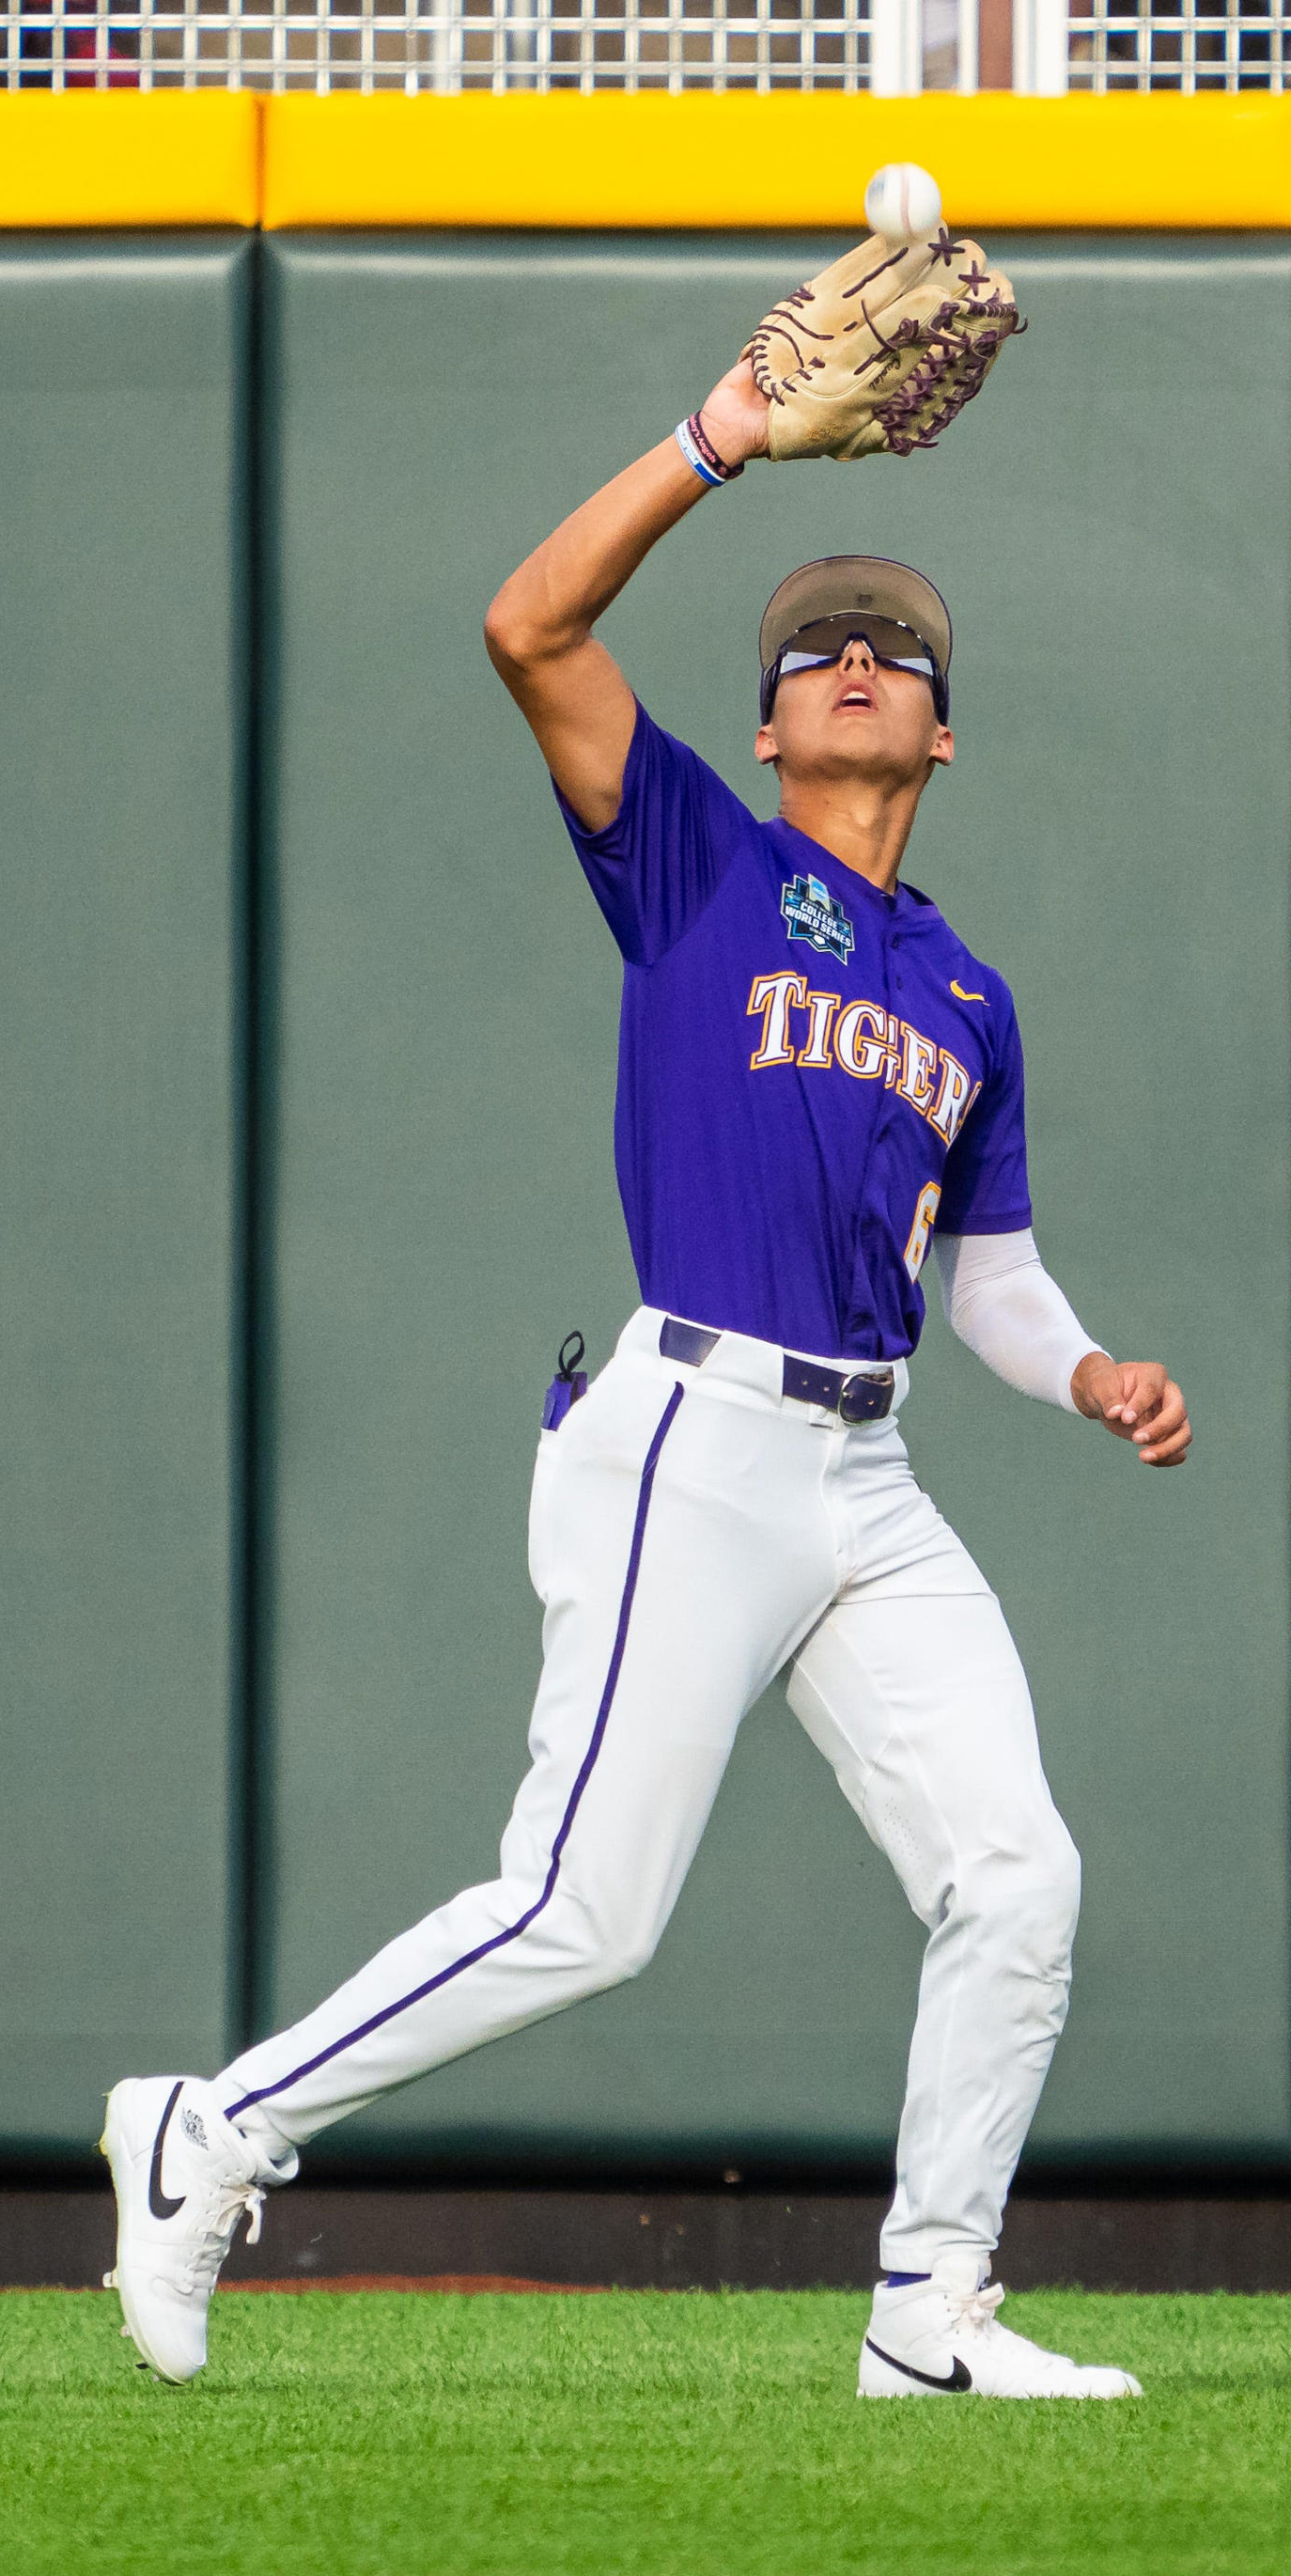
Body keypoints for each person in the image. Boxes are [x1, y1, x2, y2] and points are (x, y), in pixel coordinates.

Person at [102, 329, 1191, 2401]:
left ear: (945, 738)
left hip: (866, 1479)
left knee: (1019, 1873)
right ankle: (211, 2131)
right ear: (770, 726)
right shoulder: (698, 853)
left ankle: (926, 2315)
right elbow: (529, 619)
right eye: (815, 645)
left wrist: (1088, 1373)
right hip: (692, 1436)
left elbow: (992, 1278)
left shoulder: (968, 988)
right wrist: (724, 439)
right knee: (585, 1910)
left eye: (898, 647)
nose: (858, 655)